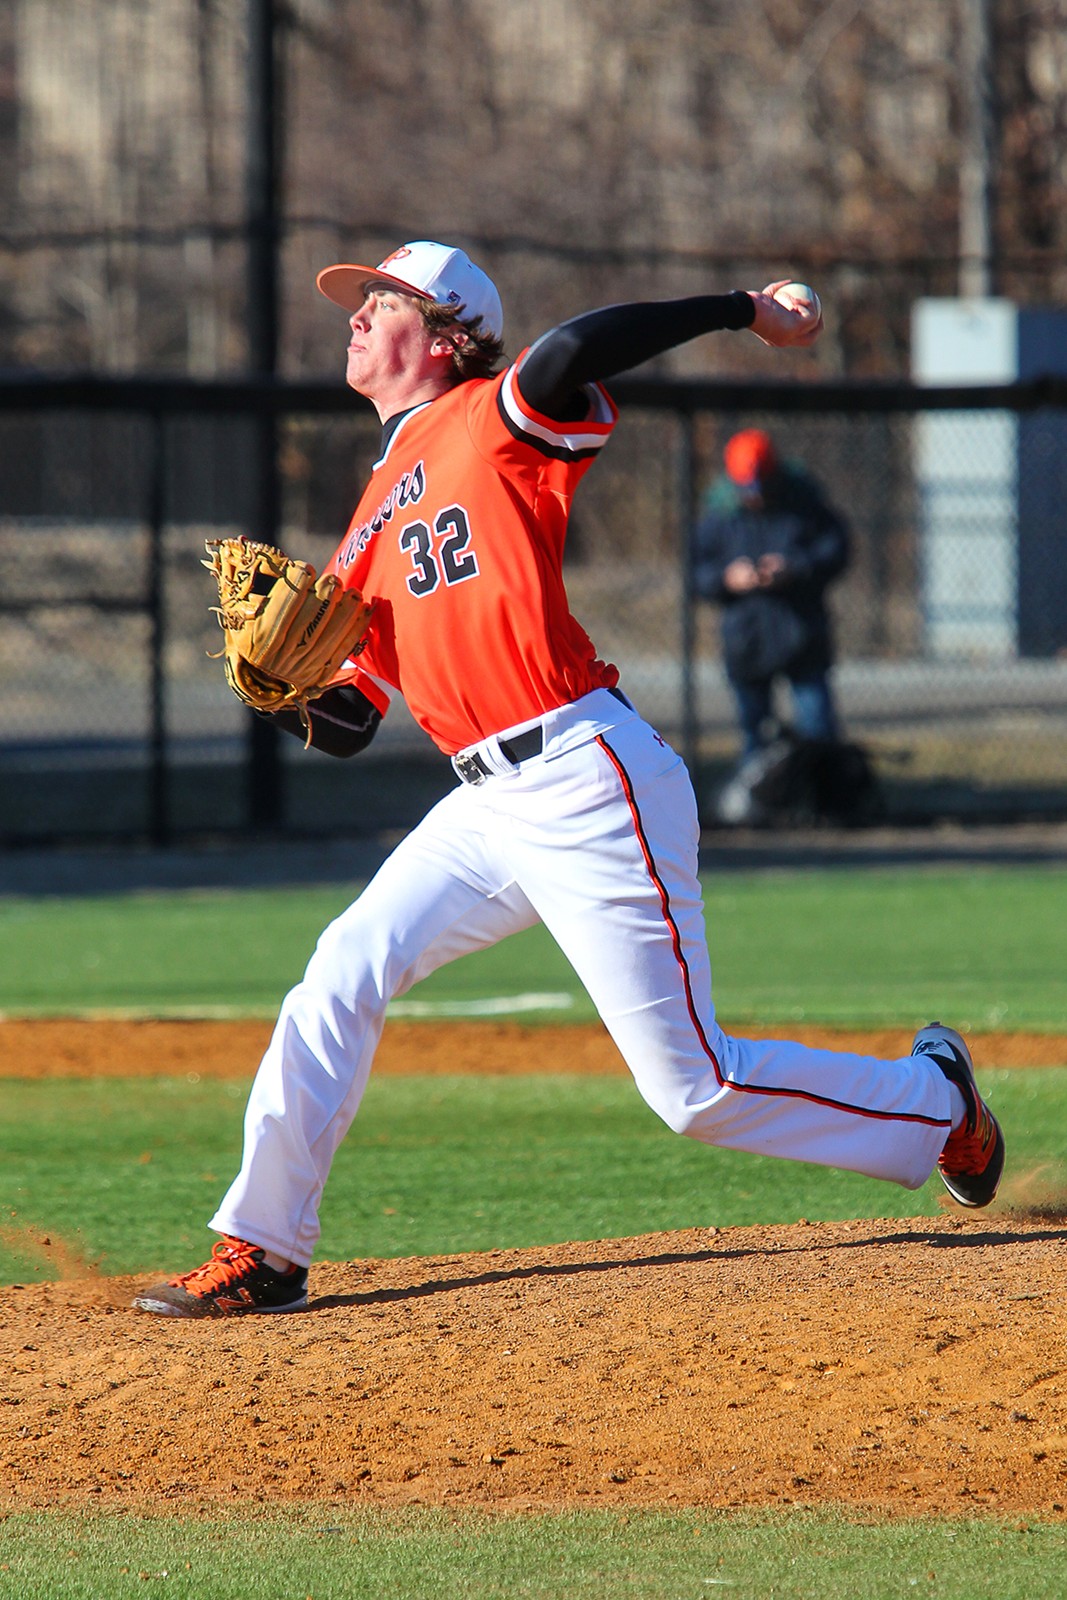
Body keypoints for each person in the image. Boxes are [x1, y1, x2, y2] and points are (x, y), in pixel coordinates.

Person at [132, 243, 1003, 1318]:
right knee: (341, 969)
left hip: (584, 771)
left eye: (379, 299)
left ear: (446, 331)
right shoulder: (360, 527)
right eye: (354, 303)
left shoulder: (490, 417)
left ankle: (936, 1102)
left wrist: (738, 308)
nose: (352, 315)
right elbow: (352, 724)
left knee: (693, 1090)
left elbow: (576, 346)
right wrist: (280, 694)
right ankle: (262, 1247)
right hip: (483, 801)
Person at [693, 428, 850, 759]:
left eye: (761, 487)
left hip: (802, 636)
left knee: (818, 732)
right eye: (747, 489)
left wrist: (795, 568)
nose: (755, 497)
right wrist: (727, 579)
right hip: (747, 641)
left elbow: (836, 550)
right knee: (756, 739)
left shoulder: (804, 503)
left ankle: (824, 806)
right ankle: (761, 809)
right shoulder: (720, 514)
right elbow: (696, 573)